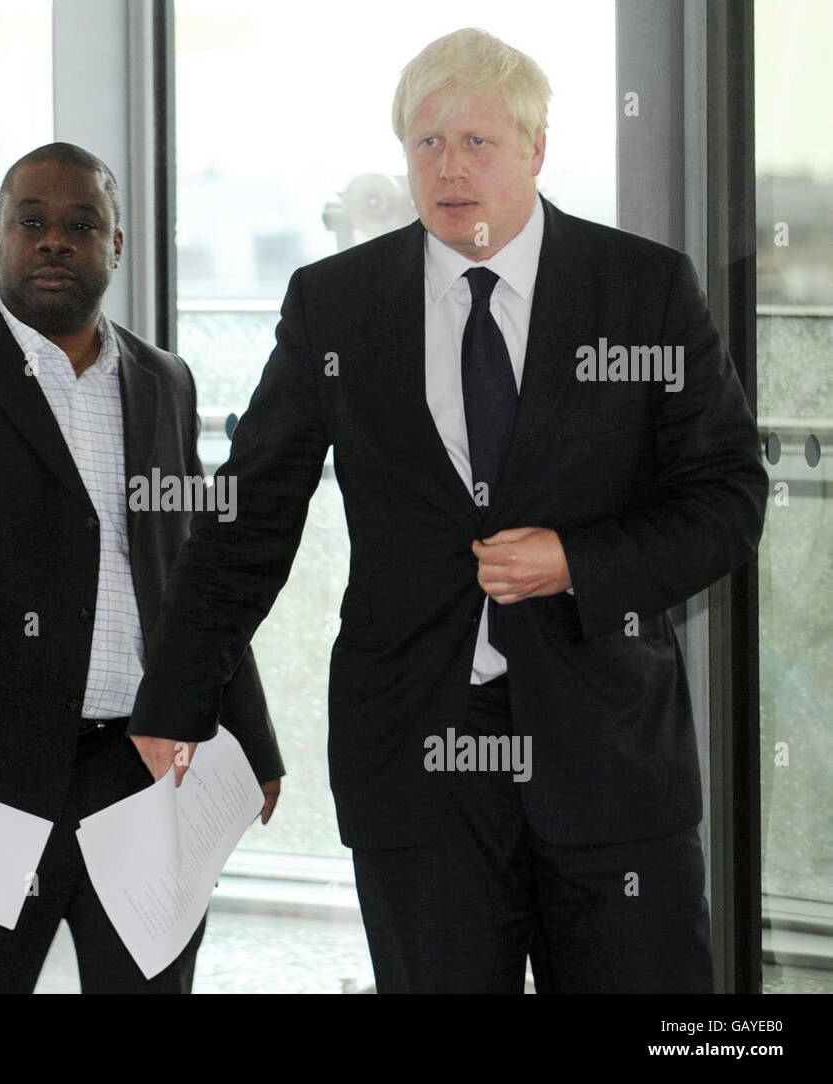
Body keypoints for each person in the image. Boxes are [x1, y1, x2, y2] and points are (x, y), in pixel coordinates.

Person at [127, 29, 768, 993]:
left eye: (476, 142)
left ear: (536, 150)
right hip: (415, 755)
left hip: (607, 758)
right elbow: (250, 514)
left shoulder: (642, 289)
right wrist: (177, 694)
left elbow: (729, 497)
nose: (449, 167)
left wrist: (576, 560)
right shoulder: (335, 305)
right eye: (426, 144)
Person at [0, 142, 283, 993]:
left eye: (81, 225)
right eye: (32, 223)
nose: (54, 242)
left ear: (116, 245)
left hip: (142, 771)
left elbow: (193, 574)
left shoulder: (165, 381)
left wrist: (249, 735)